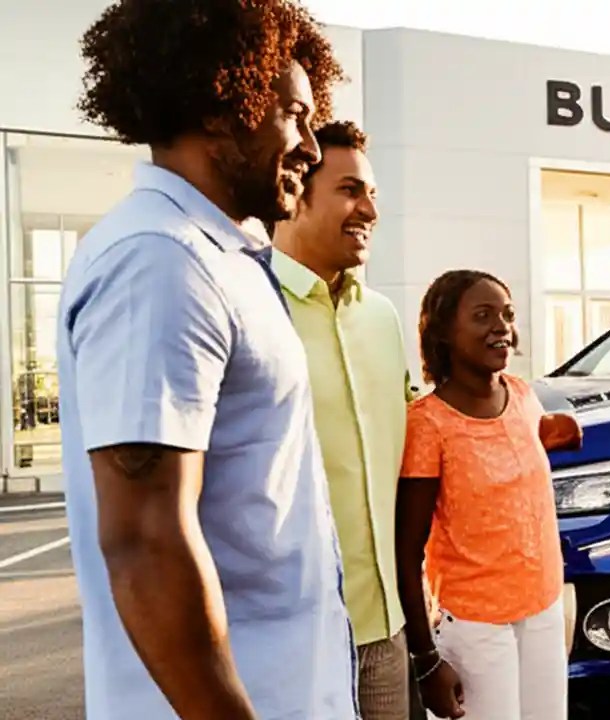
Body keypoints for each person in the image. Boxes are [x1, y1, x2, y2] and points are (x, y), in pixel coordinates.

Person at [57, 2, 356, 718]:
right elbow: (144, 541)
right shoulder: (160, 263)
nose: (313, 148)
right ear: (228, 105)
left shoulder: (221, 257)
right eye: (294, 114)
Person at [270, 120, 416, 719]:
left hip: (386, 630)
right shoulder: (253, 306)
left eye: (373, 193)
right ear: (294, 194)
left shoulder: (383, 317)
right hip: (293, 638)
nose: (370, 210)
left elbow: (417, 439)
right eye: (350, 190)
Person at [396, 270, 570, 720]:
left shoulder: (523, 395)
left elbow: (521, 453)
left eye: (507, 315)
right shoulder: (427, 423)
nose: (502, 326)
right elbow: (406, 551)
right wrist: (425, 661)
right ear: (444, 333)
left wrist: (560, 432)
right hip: (474, 626)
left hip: (543, 607)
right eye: (482, 315)